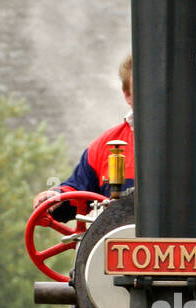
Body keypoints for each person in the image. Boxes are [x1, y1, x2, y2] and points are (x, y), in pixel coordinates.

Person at [33, 53, 134, 213]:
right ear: (127, 95)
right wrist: (56, 196)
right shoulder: (105, 147)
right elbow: (77, 189)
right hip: (121, 237)